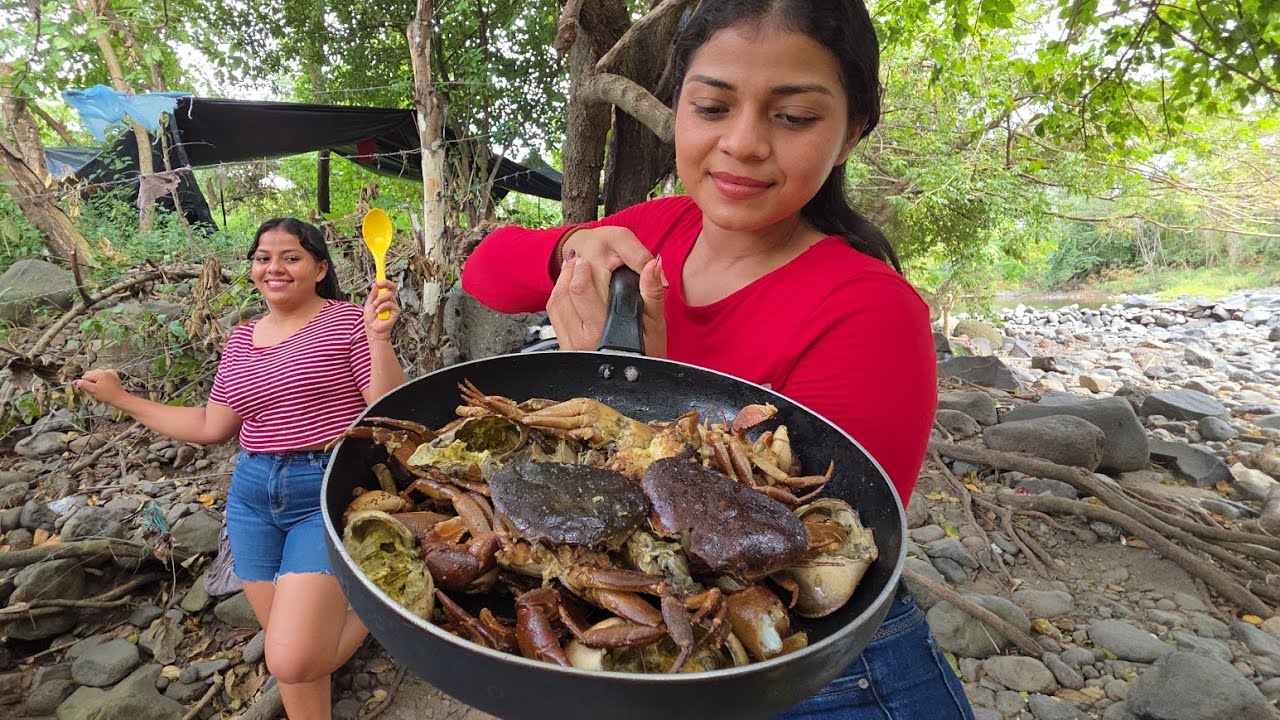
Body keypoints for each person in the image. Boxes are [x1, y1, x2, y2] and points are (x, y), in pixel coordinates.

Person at [461, 0, 973, 717]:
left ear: (850, 132)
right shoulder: (653, 229)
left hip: (818, 672)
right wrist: (568, 246)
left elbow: (819, 544)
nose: (742, 143)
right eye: (711, 106)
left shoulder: (871, 311)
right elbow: (483, 270)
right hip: (657, 640)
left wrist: (643, 394)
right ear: (678, 111)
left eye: (793, 117)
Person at [77, 217, 408, 719]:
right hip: (251, 494)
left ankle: (384, 590)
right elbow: (213, 425)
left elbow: (386, 411)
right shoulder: (241, 338)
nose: (274, 268)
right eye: (263, 258)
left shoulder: (348, 321)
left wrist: (379, 339)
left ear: (320, 268)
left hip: (324, 487)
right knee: (290, 654)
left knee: (291, 657)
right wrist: (123, 399)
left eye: (290, 257)